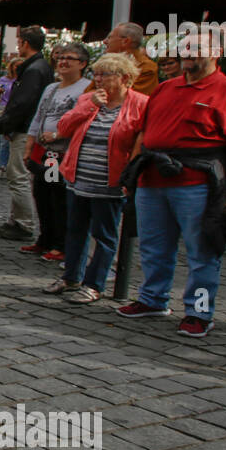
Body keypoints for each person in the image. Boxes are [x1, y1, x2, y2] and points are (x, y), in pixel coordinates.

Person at [117, 33, 226, 336]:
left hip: (198, 184)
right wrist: (133, 173)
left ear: (217, 52)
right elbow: (145, 134)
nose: (189, 54)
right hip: (153, 179)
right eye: (185, 48)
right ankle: (152, 299)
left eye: (197, 48)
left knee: (203, 251)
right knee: (154, 247)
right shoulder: (165, 88)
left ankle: (200, 312)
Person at [47, 53, 148, 302]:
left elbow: (140, 143)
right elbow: (64, 127)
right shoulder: (88, 99)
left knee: (104, 235)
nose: (99, 79)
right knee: (75, 230)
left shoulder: (141, 104)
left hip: (111, 182)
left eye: (105, 74)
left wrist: (131, 177)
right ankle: (71, 277)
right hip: (79, 177)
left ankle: (94, 284)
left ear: (125, 78)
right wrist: (89, 105)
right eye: (97, 74)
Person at [22, 42, 90, 261]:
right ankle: (45, 238)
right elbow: (39, 117)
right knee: (41, 195)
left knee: (57, 198)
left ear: (82, 64)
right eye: (60, 57)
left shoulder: (86, 89)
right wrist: (29, 145)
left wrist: (59, 135)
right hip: (45, 151)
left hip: (63, 153)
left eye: (69, 58)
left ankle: (61, 243)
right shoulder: (51, 88)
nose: (63, 61)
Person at [0, 26, 52, 241]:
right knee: (16, 173)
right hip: (24, 127)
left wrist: (5, 126)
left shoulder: (34, 69)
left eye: (19, 41)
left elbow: (23, 103)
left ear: (26, 43)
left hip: (25, 129)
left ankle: (24, 223)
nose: (17, 45)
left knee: (18, 175)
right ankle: (15, 219)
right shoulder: (37, 67)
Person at [102, 22, 160, 96]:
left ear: (125, 41)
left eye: (109, 37)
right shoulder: (105, 65)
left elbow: (127, 97)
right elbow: (89, 92)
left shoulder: (146, 68)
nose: (104, 41)